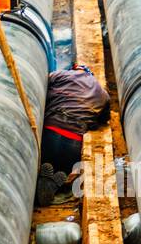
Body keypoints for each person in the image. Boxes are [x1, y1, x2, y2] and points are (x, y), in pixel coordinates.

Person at [36, 65, 110, 204]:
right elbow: (103, 119)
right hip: (73, 144)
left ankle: (41, 181)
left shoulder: (60, 75)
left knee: (42, 166)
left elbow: (40, 87)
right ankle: (58, 182)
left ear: (74, 69)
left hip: (49, 135)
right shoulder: (101, 93)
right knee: (63, 167)